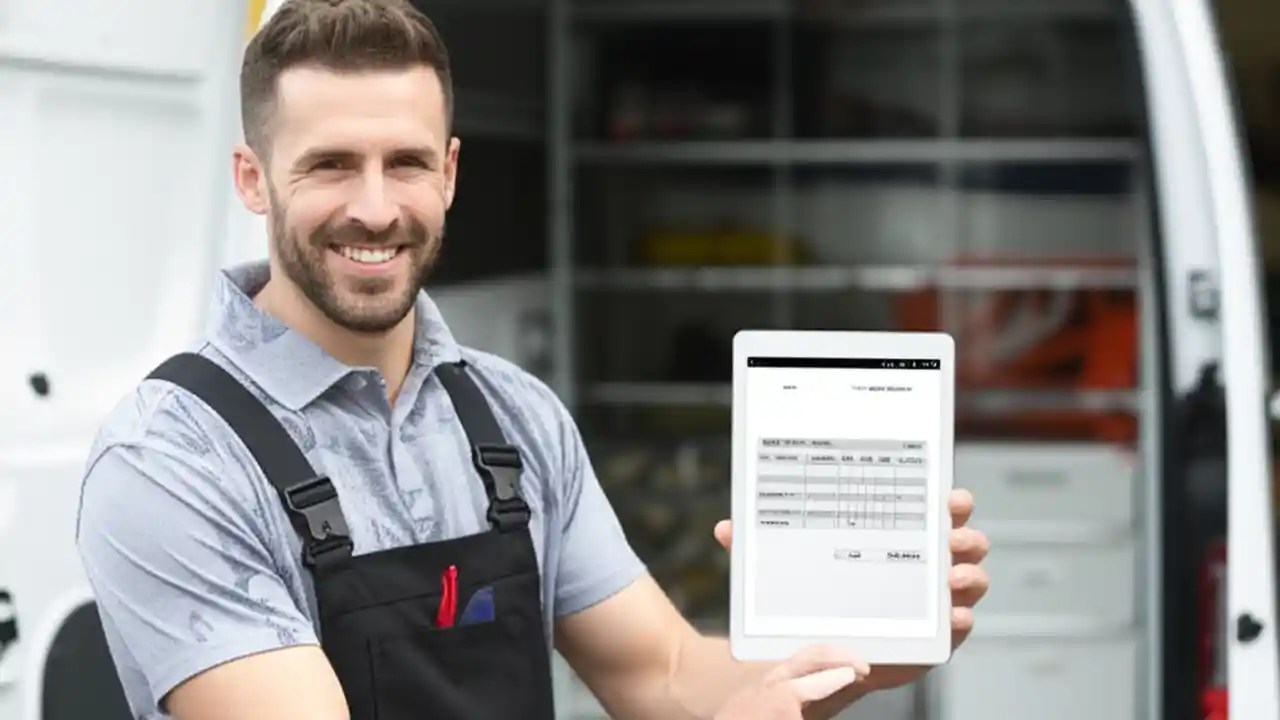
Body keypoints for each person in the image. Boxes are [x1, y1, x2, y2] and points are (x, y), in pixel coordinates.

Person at [73, 1, 990, 718]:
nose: (377, 206)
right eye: (330, 165)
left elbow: (664, 673)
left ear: (451, 174)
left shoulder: (512, 416)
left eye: (406, 162)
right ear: (252, 180)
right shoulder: (173, 457)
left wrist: (855, 650)